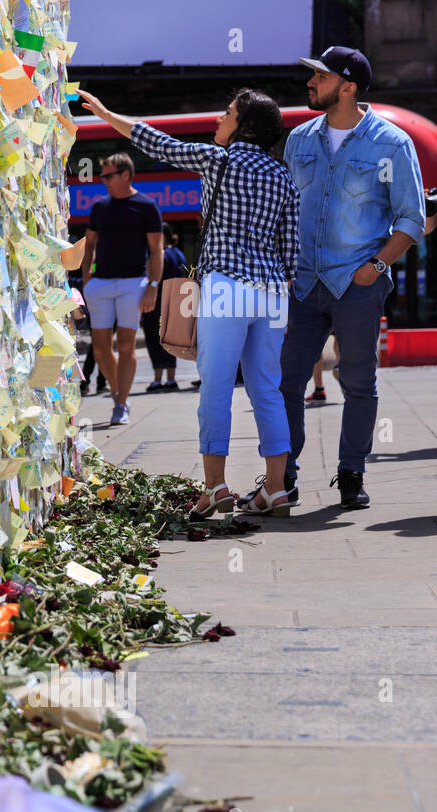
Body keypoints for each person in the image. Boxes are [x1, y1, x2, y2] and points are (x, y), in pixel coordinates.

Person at [80, 88, 300, 519]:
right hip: (273, 293)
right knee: (267, 391)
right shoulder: (283, 176)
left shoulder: (217, 160)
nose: (218, 120)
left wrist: (107, 114)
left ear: (246, 126)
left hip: (226, 287)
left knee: (215, 388)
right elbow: (291, 254)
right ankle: (276, 489)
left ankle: (215, 487)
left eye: (228, 114)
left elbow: (156, 142)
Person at [262, 47, 426, 510]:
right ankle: (284, 477)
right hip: (303, 284)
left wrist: (371, 270)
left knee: (358, 382)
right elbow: (284, 211)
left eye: (320, 75)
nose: (310, 82)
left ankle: (351, 473)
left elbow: (411, 221)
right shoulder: (298, 140)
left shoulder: (391, 144)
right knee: (286, 383)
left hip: (357, 286)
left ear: (347, 86)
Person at [79, 152, 163, 425]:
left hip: (132, 283)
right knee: (101, 348)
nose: (104, 180)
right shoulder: (100, 207)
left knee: (126, 346)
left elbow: (156, 250)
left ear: (125, 174)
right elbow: (89, 244)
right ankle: (117, 393)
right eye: (103, 175)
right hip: (100, 283)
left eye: (108, 175)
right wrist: (87, 279)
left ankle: (122, 403)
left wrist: (152, 286)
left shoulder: (146, 206)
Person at [143, 223, 187, 392]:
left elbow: (148, 275)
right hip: (176, 303)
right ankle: (171, 378)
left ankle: (157, 379)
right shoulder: (179, 254)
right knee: (172, 342)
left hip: (156, 303)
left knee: (154, 340)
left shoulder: (158, 255)